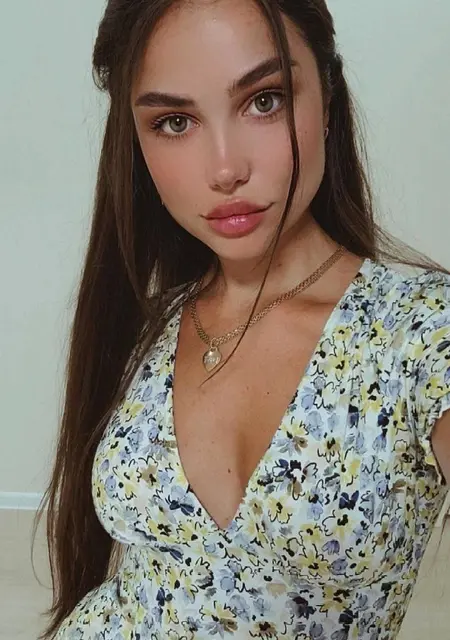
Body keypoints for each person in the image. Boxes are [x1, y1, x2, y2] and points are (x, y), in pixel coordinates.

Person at [34, 0, 450, 638]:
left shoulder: (421, 332)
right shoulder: (151, 323)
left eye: (264, 100)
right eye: (175, 122)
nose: (225, 169)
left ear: (328, 98)